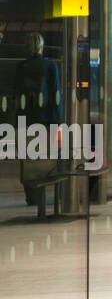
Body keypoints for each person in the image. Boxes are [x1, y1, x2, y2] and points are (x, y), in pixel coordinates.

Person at [16, 33, 61, 207]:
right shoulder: (50, 66)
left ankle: (31, 196)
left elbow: (17, 94)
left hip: (26, 119)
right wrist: (59, 120)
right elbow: (56, 94)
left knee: (28, 159)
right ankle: (52, 194)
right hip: (46, 120)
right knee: (50, 158)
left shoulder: (21, 67)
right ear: (42, 47)